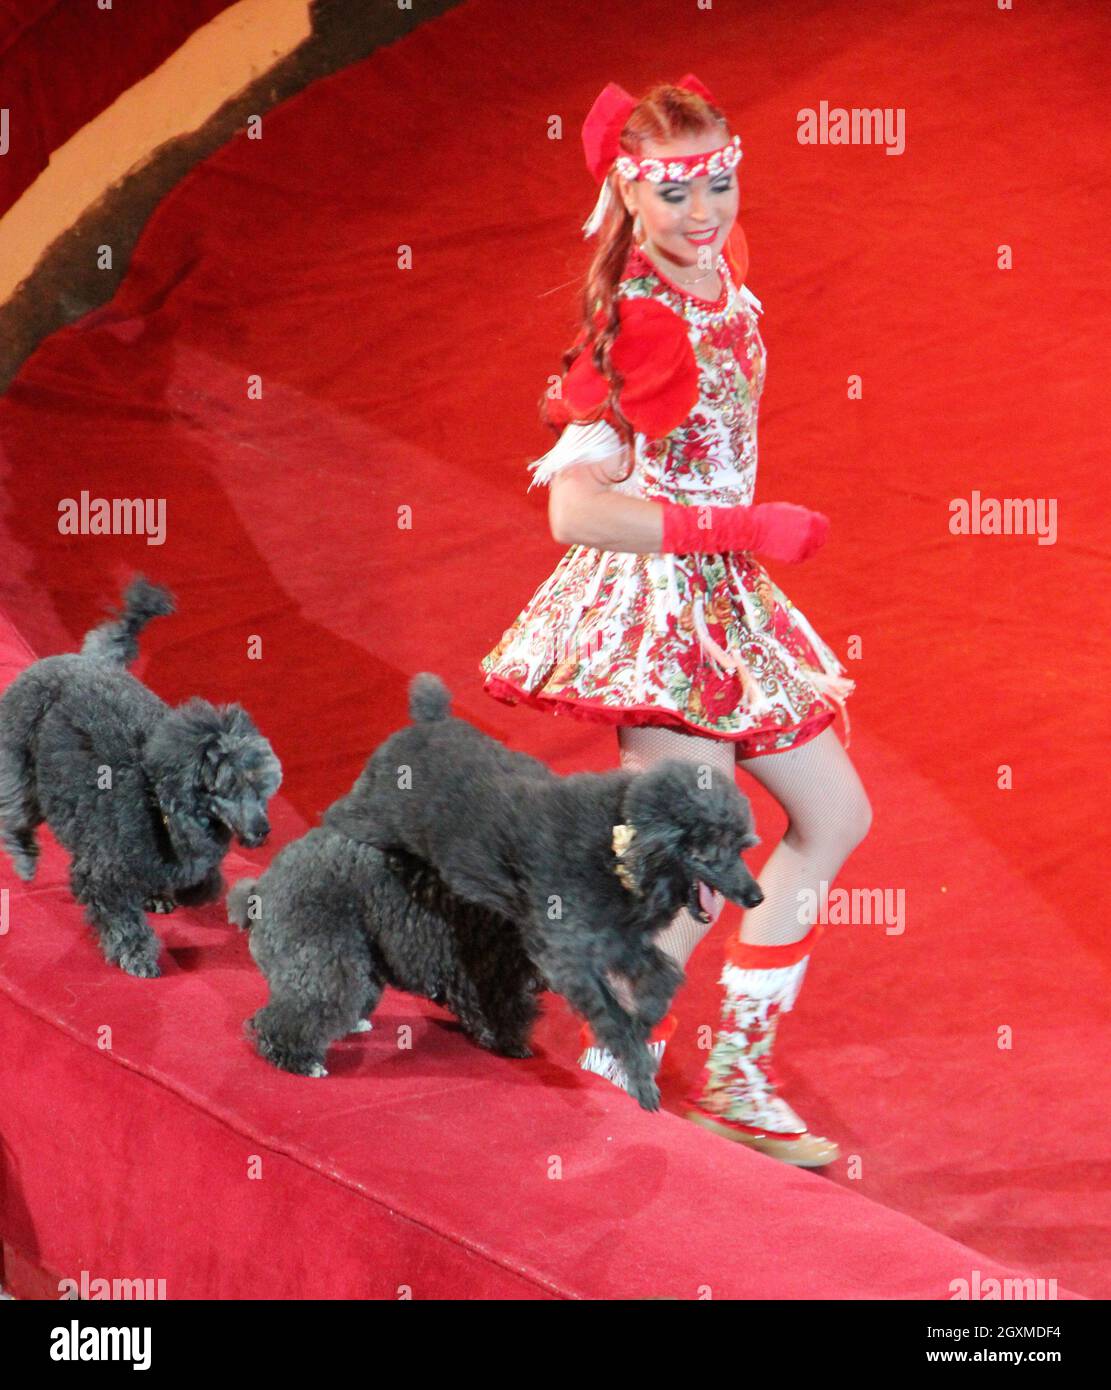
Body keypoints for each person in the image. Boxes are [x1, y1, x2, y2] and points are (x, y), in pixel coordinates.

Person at [479, 75, 871, 1167]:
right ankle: (614, 1070)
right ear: (627, 193)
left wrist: (740, 541)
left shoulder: (714, 273)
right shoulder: (636, 321)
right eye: (679, 195)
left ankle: (738, 1072)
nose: (706, 214)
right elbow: (574, 511)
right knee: (696, 875)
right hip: (660, 610)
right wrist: (745, 523)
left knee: (833, 817)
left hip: (727, 597)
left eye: (722, 184)